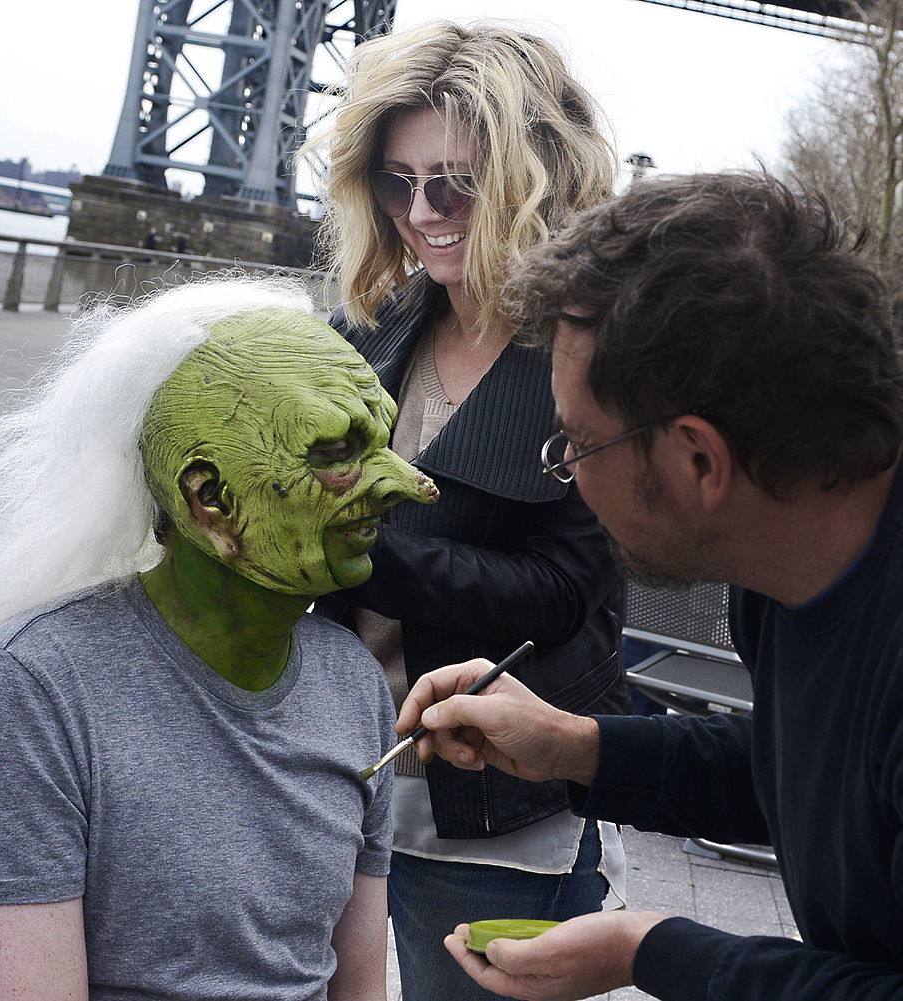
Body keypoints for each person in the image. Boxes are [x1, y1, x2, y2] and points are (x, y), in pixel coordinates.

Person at [398, 171, 903, 1000]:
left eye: (578, 445)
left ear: (700, 459)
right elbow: (808, 773)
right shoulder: (787, 567)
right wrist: (574, 745)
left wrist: (649, 949)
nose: (564, 473)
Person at [0, 278, 441, 1000]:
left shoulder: (351, 682)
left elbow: (356, 987)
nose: (406, 483)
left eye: (384, 438)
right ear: (208, 498)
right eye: (337, 450)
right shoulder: (34, 689)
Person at [305, 20, 634, 999]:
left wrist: (358, 534)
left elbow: (563, 591)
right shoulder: (363, 331)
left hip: (496, 810)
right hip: (331, 780)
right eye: (396, 182)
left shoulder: (602, 356)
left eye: (451, 180)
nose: (420, 210)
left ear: (535, 174)